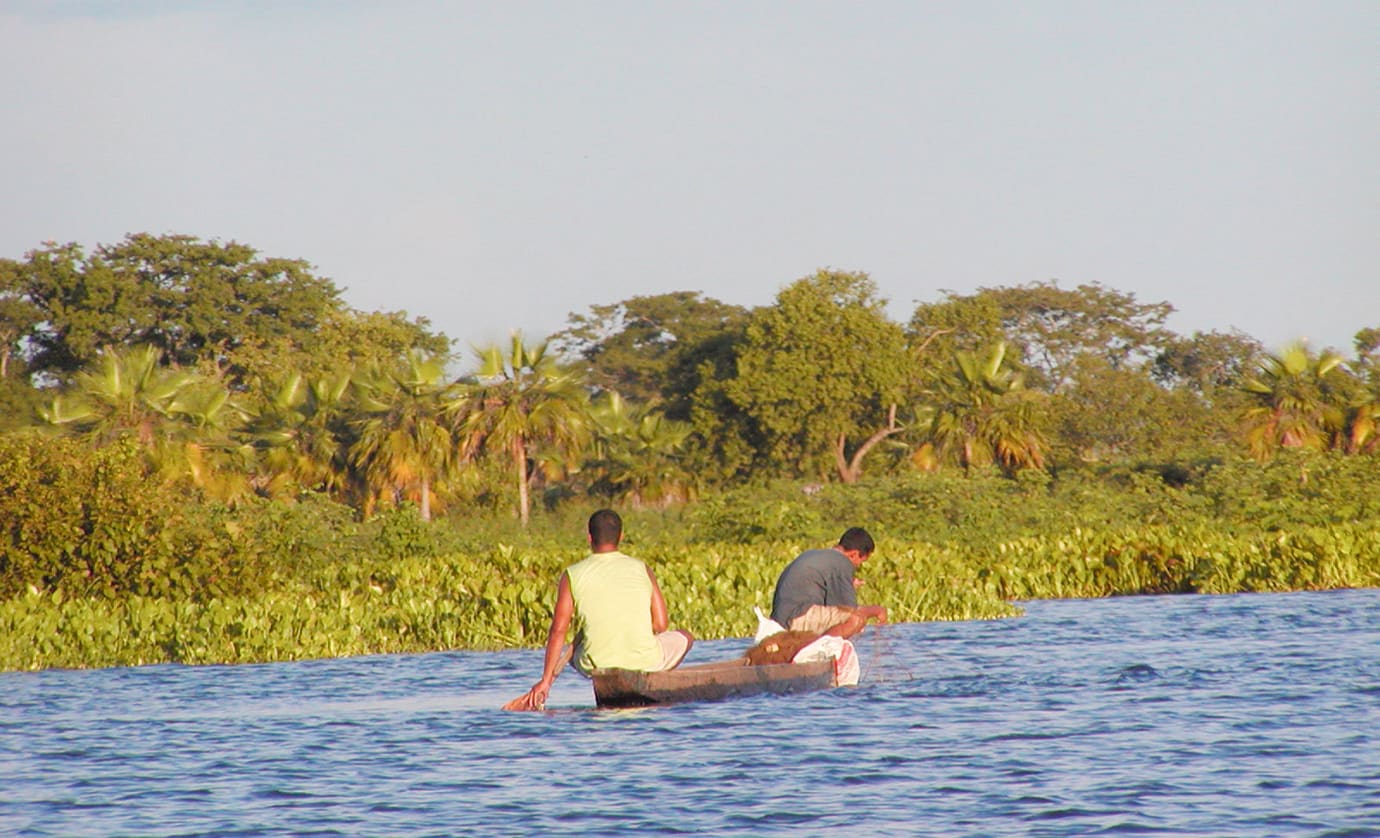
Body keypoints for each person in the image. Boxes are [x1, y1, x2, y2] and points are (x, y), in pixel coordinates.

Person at [511, 509, 694, 710]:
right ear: (621, 537)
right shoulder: (642, 568)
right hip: (645, 660)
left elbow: (558, 631)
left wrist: (546, 680)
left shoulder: (571, 574)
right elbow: (661, 624)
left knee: (576, 651)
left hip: (595, 664)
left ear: (589, 537)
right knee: (686, 636)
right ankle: (655, 682)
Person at [770, 526, 888, 639]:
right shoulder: (842, 563)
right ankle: (821, 648)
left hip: (783, 617)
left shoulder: (818, 555)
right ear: (854, 554)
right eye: (860, 562)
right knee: (855, 620)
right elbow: (849, 610)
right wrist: (877, 610)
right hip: (795, 618)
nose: (858, 566)